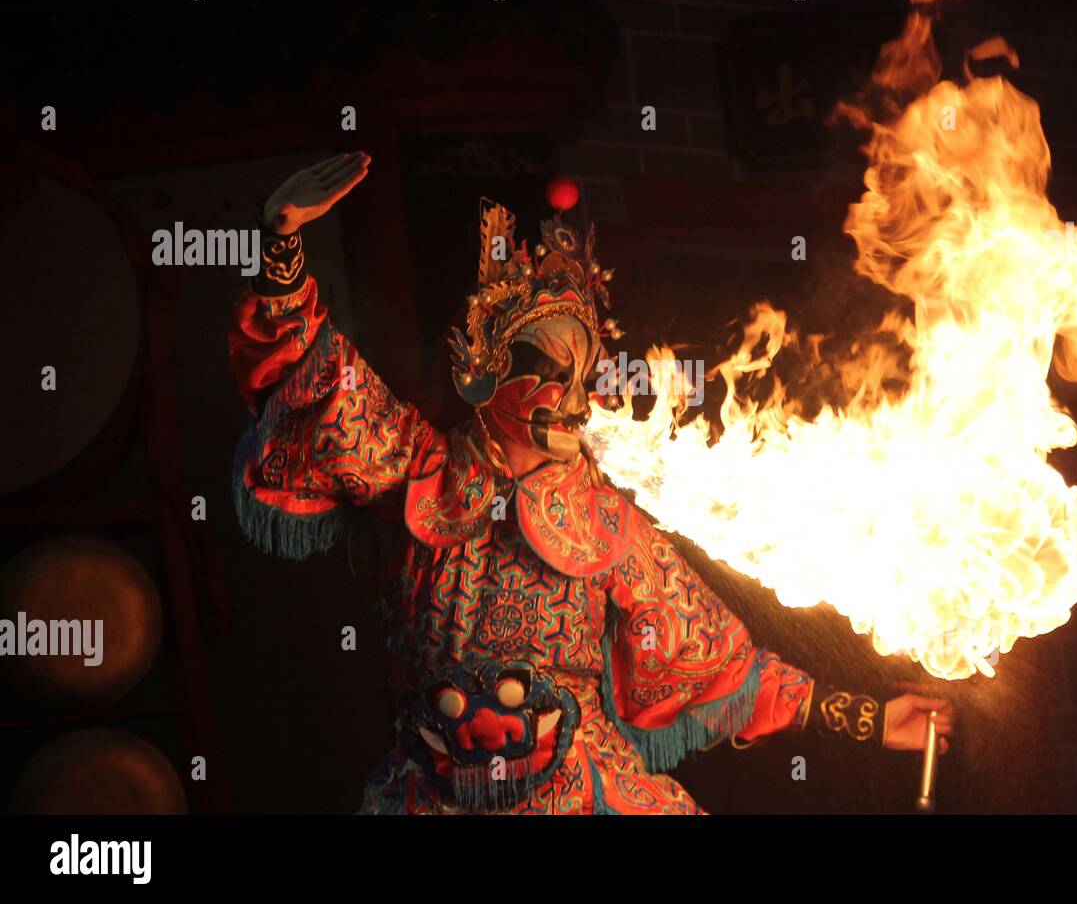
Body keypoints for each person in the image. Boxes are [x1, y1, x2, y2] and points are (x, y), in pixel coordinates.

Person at [229, 150, 955, 814]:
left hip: (583, 793)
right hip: (430, 792)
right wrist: (283, 246)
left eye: (587, 372)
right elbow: (315, 382)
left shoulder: (609, 524)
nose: (576, 396)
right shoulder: (418, 472)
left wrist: (864, 717)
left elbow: (720, 664)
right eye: (553, 366)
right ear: (484, 369)